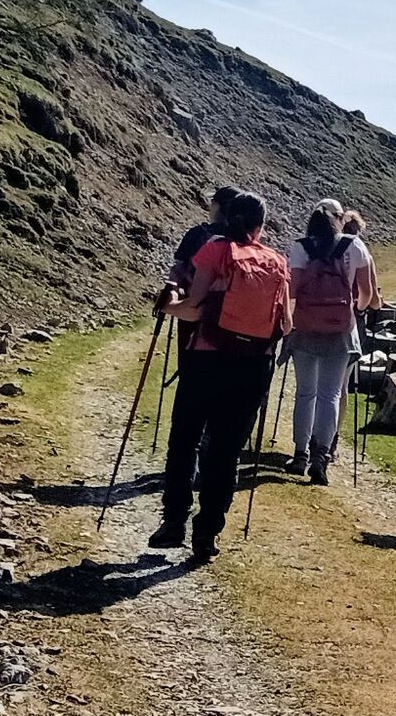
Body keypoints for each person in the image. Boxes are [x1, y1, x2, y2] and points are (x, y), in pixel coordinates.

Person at [153, 191, 293, 561]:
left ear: (227, 216)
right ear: (261, 226)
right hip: (252, 368)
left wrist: (167, 305)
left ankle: (173, 522)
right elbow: (286, 324)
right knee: (227, 451)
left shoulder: (214, 250)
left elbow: (195, 310)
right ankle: (208, 534)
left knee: (185, 439)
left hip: (206, 361)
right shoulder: (277, 261)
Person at [154, 186, 239, 515]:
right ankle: (209, 457)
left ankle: (181, 487)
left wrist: (169, 302)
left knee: (192, 385)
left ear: (218, 207)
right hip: (234, 329)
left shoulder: (198, 236)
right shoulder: (243, 245)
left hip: (192, 317)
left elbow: (177, 273)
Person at [284, 199, 377, 483]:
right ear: (337, 221)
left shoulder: (300, 248)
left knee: (305, 393)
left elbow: (291, 291)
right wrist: (355, 310)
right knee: (331, 395)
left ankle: (300, 455)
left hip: (305, 329)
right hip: (340, 331)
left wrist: (289, 322)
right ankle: (321, 459)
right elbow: (367, 292)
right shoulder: (354, 246)